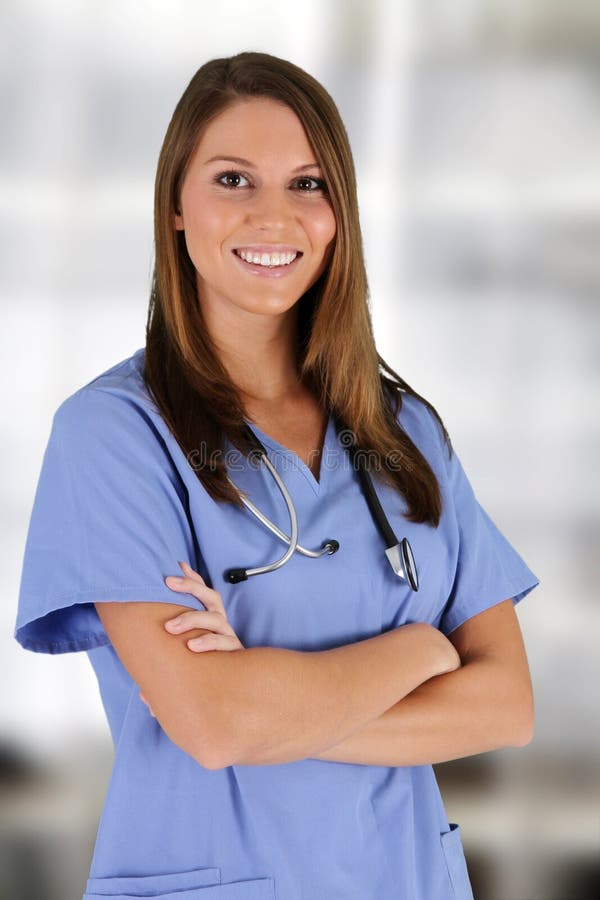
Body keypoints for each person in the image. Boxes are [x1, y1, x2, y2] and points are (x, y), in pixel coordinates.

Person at [14, 51, 540, 900]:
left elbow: (506, 706)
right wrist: (421, 648)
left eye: (307, 184)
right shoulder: (115, 434)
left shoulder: (401, 430)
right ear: (175, 208)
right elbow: (216, 724)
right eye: (233, 179)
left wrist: (279, 705)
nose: (274, 215)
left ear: (340, 214)